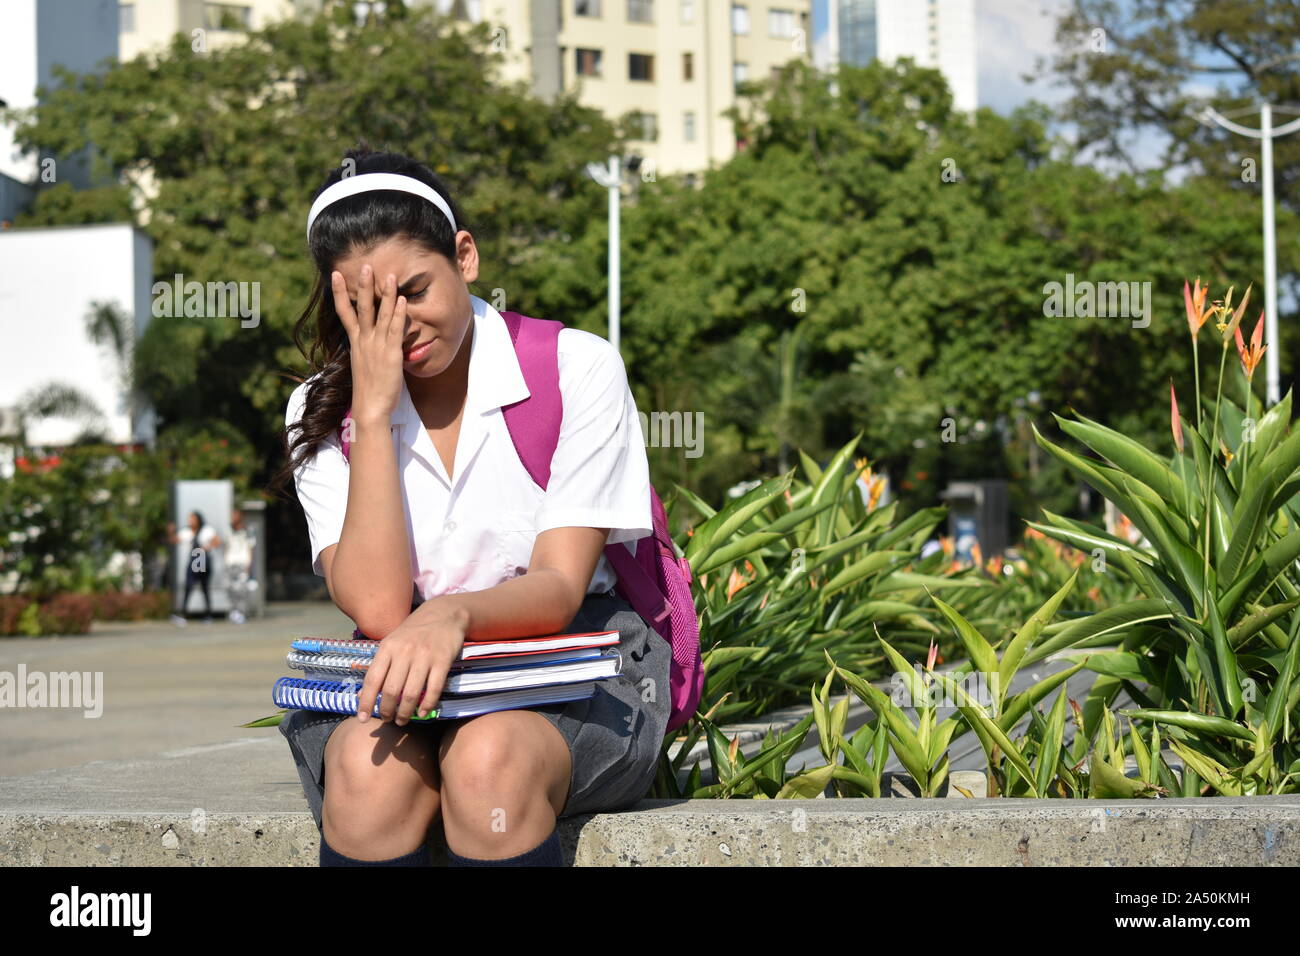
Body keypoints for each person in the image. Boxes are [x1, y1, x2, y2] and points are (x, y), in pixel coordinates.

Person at [269, 144, 667, 868]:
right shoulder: (321, 409)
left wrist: (451, 615)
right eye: (366, 306)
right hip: (404, 668)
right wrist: (377, 407)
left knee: (486, 764)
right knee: (367, 777)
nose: (398, 326)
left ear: (465, 256)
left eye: (415, 291)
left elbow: (557, 586)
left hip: (569, 663)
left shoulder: (576, 366)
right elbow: (379, 608)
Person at [167, 511, 222, 625]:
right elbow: (175, 540)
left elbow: (217, 541)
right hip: (194, 558)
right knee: (189, 586)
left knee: (203, 587)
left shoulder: (206, 530)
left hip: (201, 557)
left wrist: (207, 547)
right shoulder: (186, 531)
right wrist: (171, 532)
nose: (190, 521)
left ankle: (207, 614)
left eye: (192, 518)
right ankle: (184, 613)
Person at [225, 508, 258, 624]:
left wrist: (249, 563)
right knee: (230, 588)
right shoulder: (228, 530)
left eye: (235, 515)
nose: (232, 518)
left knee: (242, 590)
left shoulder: (247, 530)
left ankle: (241, 612)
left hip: (242, 563)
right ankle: (233, 612)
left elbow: (251, 547)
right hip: (230, 563)